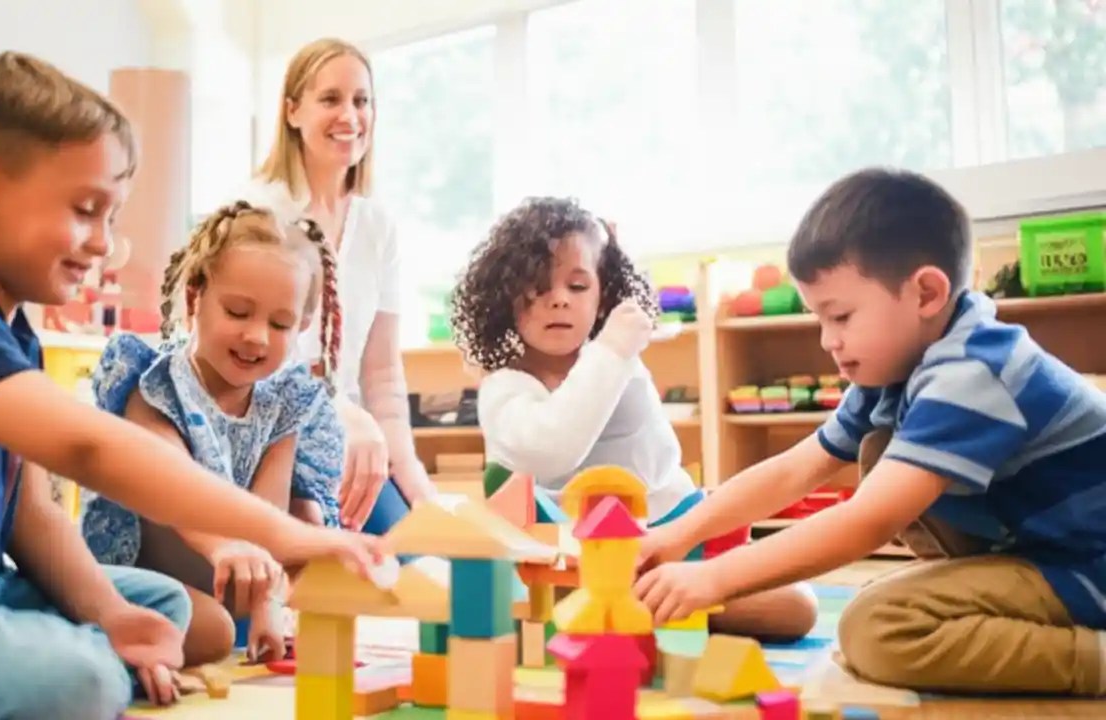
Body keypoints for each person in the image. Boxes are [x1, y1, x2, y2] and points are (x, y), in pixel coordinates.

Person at [0, 51, 381, 720]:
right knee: (78, 682)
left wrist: (110, 613)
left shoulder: (8, 331)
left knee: (161, 605)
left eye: (111, 217)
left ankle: (69, 648)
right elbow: (88, 449)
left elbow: (30, 514)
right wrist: (286, 535)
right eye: (88, 210)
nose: (105, 245)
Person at [635, 167, 1106, 696]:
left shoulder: (973, 372)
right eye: (819, 319)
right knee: (878, 454)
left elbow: (869, 520)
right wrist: (676, 536)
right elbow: (797, 469)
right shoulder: (902, 365)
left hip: (1088, 567)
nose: (826, 341)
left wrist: (714, 578)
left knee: (875, 630)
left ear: (926, 293)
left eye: (840, 317)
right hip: (1042, 554)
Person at [452, 196, 817, 640]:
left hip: (675, 532)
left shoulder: (613, 360)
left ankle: (646, 606)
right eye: (537, 288)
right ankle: (636, 606)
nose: (559, 301)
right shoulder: (507, 386)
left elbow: (633, 349)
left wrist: (611, 284)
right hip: (580, 558)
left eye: (579, 286)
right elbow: (552, 450)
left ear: (604, 293)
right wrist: (611, 347)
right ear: (505, 298)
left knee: (797, 607)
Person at [81, 201, 343, 665]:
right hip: (142, 574)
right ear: (194, 297)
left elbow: (265, 513)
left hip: (224, 575)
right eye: (239, 312)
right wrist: (223, 545)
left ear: (301, 326)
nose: (257, 337)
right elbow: (166, 480)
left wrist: (268, 605)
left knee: (317, 561)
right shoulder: (154, 382)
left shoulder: (285, 401)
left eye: (280, 323)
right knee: (213, 633)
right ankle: (88, 639)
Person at [239, 37, 435, 534]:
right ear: (292, 111)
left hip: (355, 444)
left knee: (423, 565)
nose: (349, 114)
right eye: (330, 99)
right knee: (317, 574)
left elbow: (382, 375)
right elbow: (250, 357)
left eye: (361, 100)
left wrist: (411, 476)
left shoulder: (377, 227)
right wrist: (336, 412)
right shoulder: (258, 214)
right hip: (267, 435)